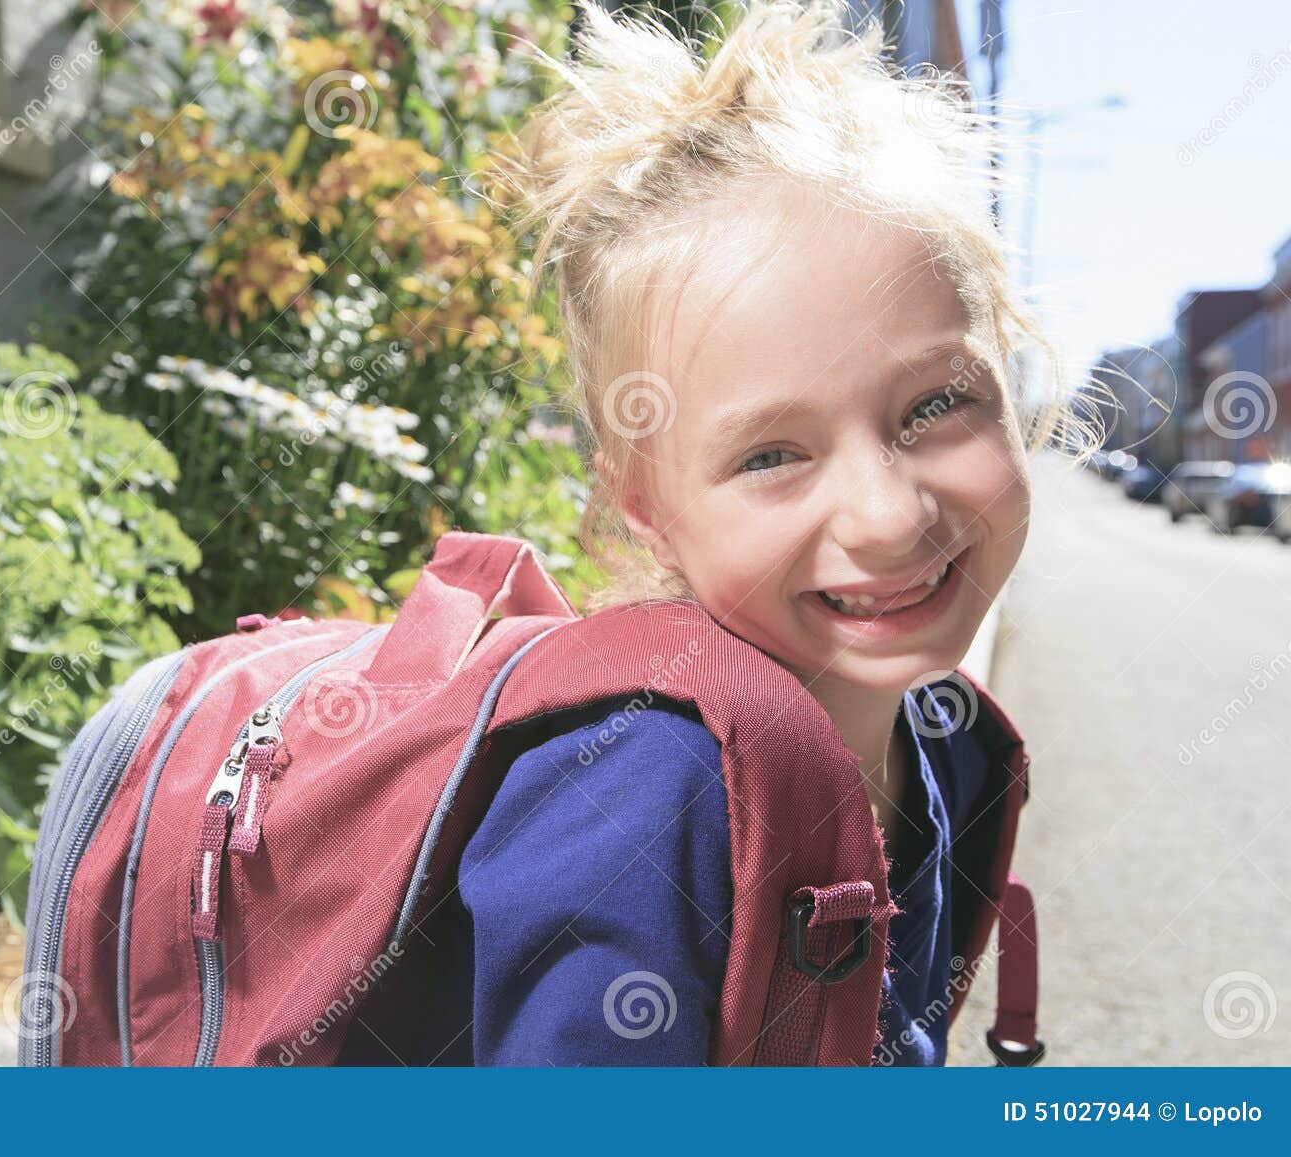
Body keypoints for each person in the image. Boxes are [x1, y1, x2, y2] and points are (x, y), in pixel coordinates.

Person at [341, 0, 1088, 1067]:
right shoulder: (642, 794)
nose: (886, 515)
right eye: (771, 455)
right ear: (642, 505)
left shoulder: (945, 743)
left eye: (933, 407)